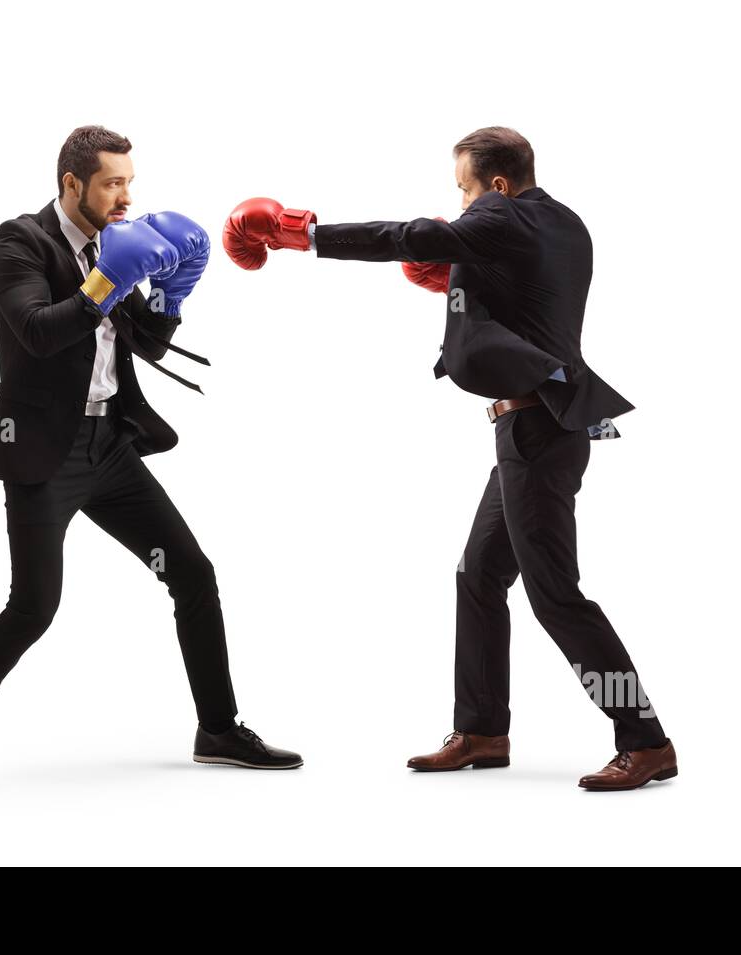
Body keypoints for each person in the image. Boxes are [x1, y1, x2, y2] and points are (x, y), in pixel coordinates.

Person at [221, 126, 674, 791]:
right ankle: (482, 730)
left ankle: (646, 740)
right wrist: (469, 283)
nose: (460, 206)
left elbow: (408, 236)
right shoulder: (566, 225)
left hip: (536, 434)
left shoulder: (500, 214)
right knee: (479, 573)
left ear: (494, 184)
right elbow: (528, 295)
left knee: (556, 596)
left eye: (463, 190)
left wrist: (302, 234)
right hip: (541, 430)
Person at [0, 125, 301, 791]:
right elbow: (37, 333)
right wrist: (104, 280)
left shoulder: (113, 243)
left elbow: (144, 346)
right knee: (33, 607)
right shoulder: (20, 241)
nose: (125, 196)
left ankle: (218, 728)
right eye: (111, 183)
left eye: (130, 182)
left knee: (190, 572)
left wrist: (172, 294)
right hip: (43, 452)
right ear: (72, 183)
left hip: (110, 447)